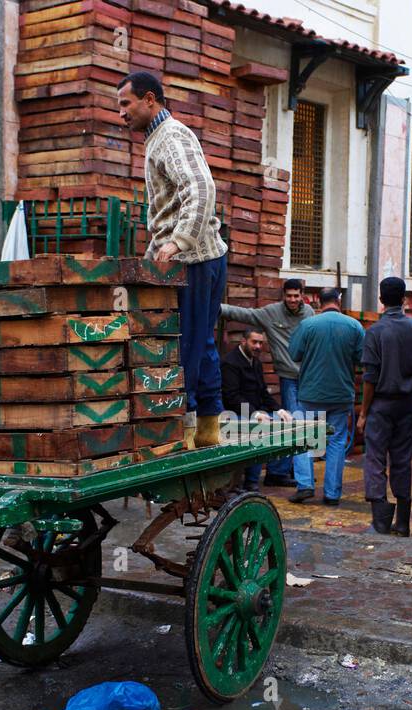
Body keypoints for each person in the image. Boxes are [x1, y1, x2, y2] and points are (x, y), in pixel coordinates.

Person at [118, 71, 226, 449]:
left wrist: (177, 242)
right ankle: (210, 427)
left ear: (150, 100)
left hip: (194, 260)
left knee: (186, 347)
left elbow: (201, 189)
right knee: (203, 342)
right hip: (201, 256)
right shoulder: (157, 139)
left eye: (125, 104)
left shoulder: (172, 135)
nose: (121, 113)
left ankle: (188, 430)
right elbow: (170, 208)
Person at [219, 279, 313, 488]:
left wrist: (277, 409)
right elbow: (245, 314)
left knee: (292, 421)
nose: (292, 299)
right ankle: (288, 478)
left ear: (302, 296)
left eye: (296, 295)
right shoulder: (271, 314)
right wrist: (215, 307)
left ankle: (281, 472)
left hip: (307, 377)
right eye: (288, 295)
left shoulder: (309, 314)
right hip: (287, 378)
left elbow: (262, 392)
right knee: (290, 425)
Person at [358, 277, 412, 536]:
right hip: (405, 405)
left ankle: (380, 519)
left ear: (381, 300)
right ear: (404, 299)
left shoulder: (375, 332)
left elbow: (370, 377)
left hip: (380, 405)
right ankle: (402, 522)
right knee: (402, 460)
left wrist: (363, 412)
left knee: (375, 458)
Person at [286, 290, 365, 506]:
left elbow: (294, 354)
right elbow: (362, 359)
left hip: (311, 394)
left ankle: (305, 485)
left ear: (319, 303)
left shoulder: (308, 325)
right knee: (337, 441)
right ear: (339, 301)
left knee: (303, 438)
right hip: (341, 395)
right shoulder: (355, 326)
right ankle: (332, 494)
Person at [220, 328, 291, 491]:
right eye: (254, 342)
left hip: (254, 410)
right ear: (243, 342)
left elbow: (263, 392)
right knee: (258, 430)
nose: (258, 346)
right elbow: (231, 397)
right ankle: (251, 481)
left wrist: (279, 410)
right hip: (235, 413)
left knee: (287, 422)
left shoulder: (255, 361)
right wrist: (255, 414)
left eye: (261, 342)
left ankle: (276, 473)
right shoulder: (230, 363)